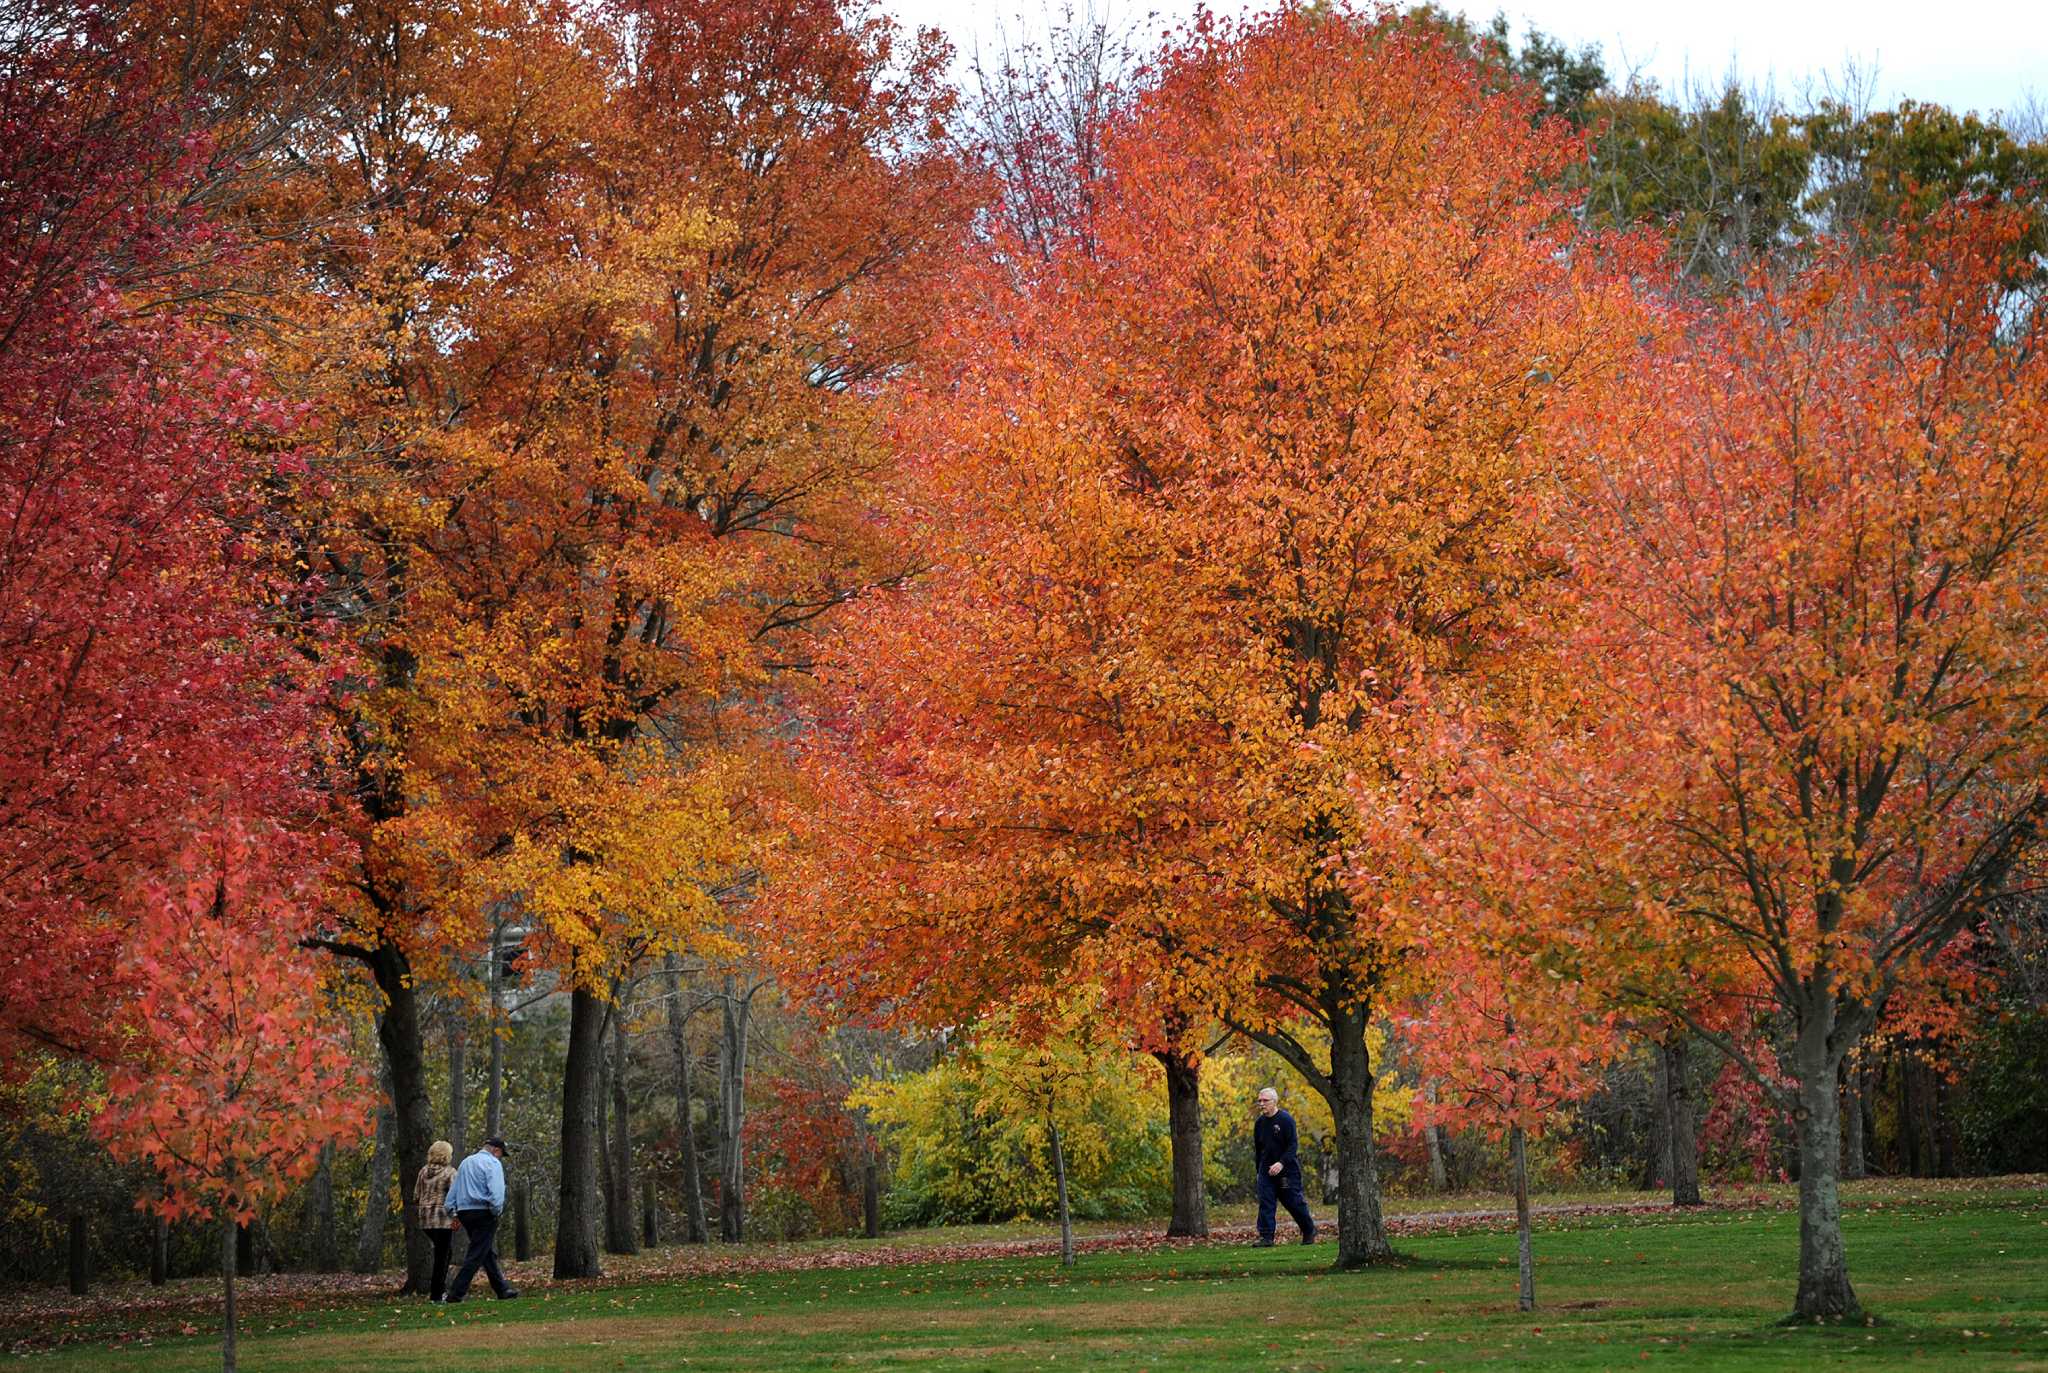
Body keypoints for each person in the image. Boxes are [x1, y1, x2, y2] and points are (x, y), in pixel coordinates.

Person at [442, 1136, 520, 1302]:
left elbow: (455, 1188)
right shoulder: (493, 1163)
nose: (500, 1157)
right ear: (496, 1150)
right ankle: (455, 1293)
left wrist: (451, 1209)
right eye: (500, 1154)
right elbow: (496, 1191)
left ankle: (502, 1289)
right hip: (484, 1212)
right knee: (477, 1253)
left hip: (465, 1212)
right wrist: (496, 1210)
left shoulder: (466, 1162)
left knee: (486, 1252)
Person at [1253, 1086, 1316, 1246]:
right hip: (1266, 1171)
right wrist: (1259, 1171)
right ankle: (1266, 1237)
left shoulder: (1285, 1120)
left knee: (1293, 1202)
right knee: (1266, 1202)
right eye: (1259, 1101)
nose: (1261, 1104)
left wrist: (1281, 1163)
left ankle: (1308, 1230)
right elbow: (1258, 1149)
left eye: (1265, 1101)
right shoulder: (1259, 1123)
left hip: (1286, 1172)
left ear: (1274, 1102)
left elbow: (1293, 1146)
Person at [413, 1140, 458, 1301]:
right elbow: (454, 1197)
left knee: (444, 1252)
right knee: (442, 1255)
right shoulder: (450, 1172)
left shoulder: (423, 1172)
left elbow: (416, 1196)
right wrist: (456, 1218)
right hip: (442, 1218)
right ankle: (437, 1294)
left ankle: (439, 1291)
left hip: (425, 1219)